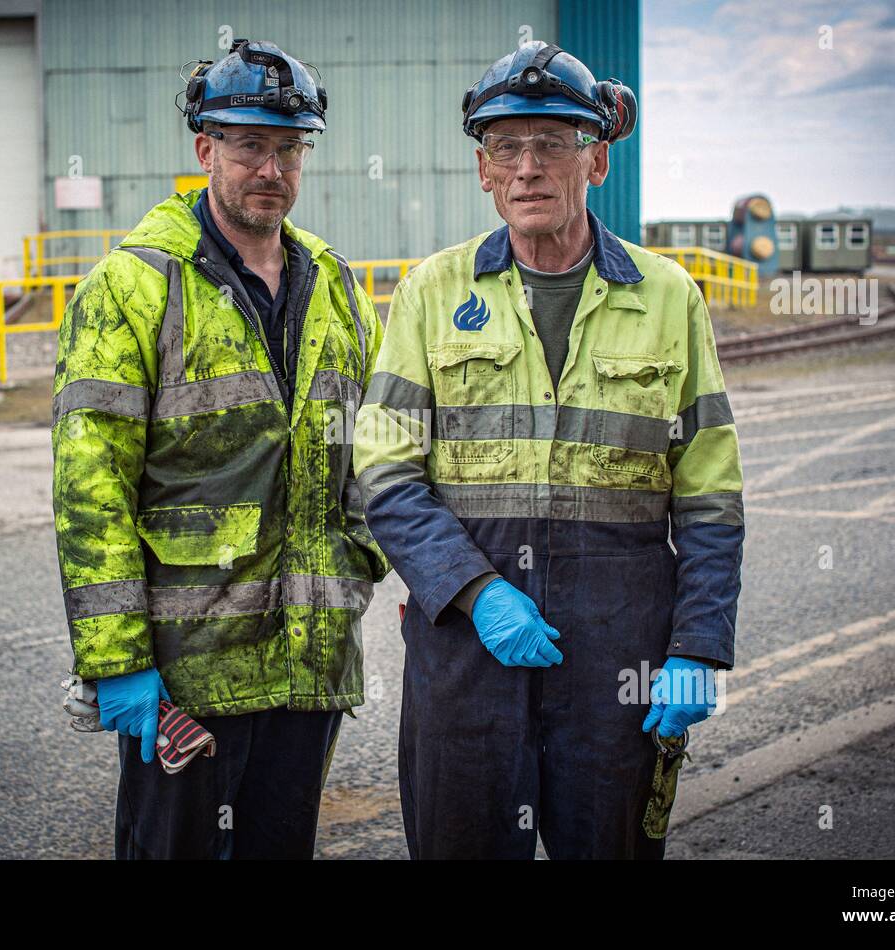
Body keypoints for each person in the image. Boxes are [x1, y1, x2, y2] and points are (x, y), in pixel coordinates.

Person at [352, 41, 743, 859]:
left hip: (619, 656)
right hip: (467, 648)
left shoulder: (668, 296)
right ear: (483, 171)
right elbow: (384, 469)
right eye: (506, 146)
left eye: (552, 143)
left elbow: (709, 492)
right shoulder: (431, 292)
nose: (528, 167)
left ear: (596, 160)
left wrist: (697, 645)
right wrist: (474, 590)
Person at [51, 39, 388, 859]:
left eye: (289, 149)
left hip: (309, 666)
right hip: (184, 680)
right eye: (249, 146)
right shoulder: (133, 287)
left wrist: (362, 561)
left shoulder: (338, 287)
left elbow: (384, 452)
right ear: (206, 150)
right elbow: (91, 488)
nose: (270, 168)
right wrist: (116, 661)